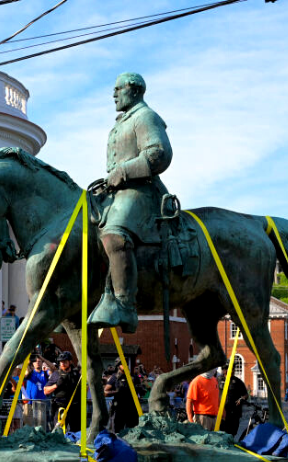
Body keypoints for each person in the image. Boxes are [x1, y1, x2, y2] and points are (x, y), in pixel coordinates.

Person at [89, 72, 173, 335]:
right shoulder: (122, 122)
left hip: (141, 193)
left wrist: (123, 172)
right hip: (116, 193)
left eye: (118, 89)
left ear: (134, 90)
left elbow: (159, 154)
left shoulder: (145, 117)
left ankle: (125, 303)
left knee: (114, 237)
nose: (113, 94)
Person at [44, 352, 81, 432]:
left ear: (70, 362)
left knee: (77, 432)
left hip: (75, 408)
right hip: (61, 407)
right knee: (59, 432)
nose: (62, 364)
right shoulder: (56, 374)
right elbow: (46, 391)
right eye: (61, 362)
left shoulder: (76, 374)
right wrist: (57, 385)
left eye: (65, 361)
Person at [221, 367, 249, 437]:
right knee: (220, 432)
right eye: (229, 369)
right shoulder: (218, 380)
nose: (232, 371)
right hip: (221, 412)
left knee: (232, 433)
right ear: (224, 370)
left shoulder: (238, 382)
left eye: (233, 369)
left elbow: (245, 394)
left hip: (234, 412)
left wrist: (241, 398)